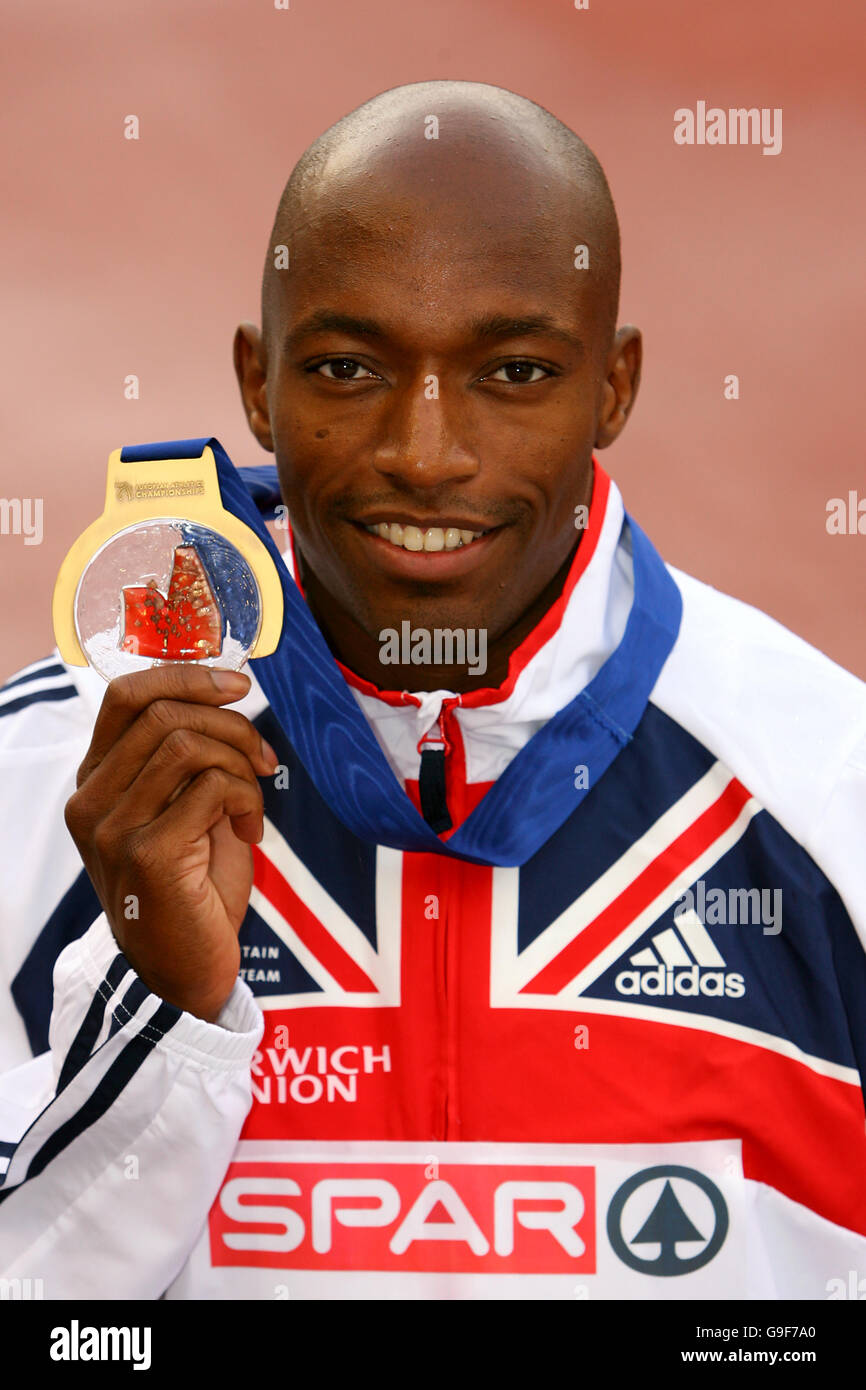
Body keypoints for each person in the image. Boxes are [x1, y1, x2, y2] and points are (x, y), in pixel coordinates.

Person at [0, 79, 864, 1300]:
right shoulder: (39, 789)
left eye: (512, 371)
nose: (423, 452)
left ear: (611, 387)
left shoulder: (825, 788)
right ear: (260, 384)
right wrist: (154, 1017)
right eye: (349, 367)